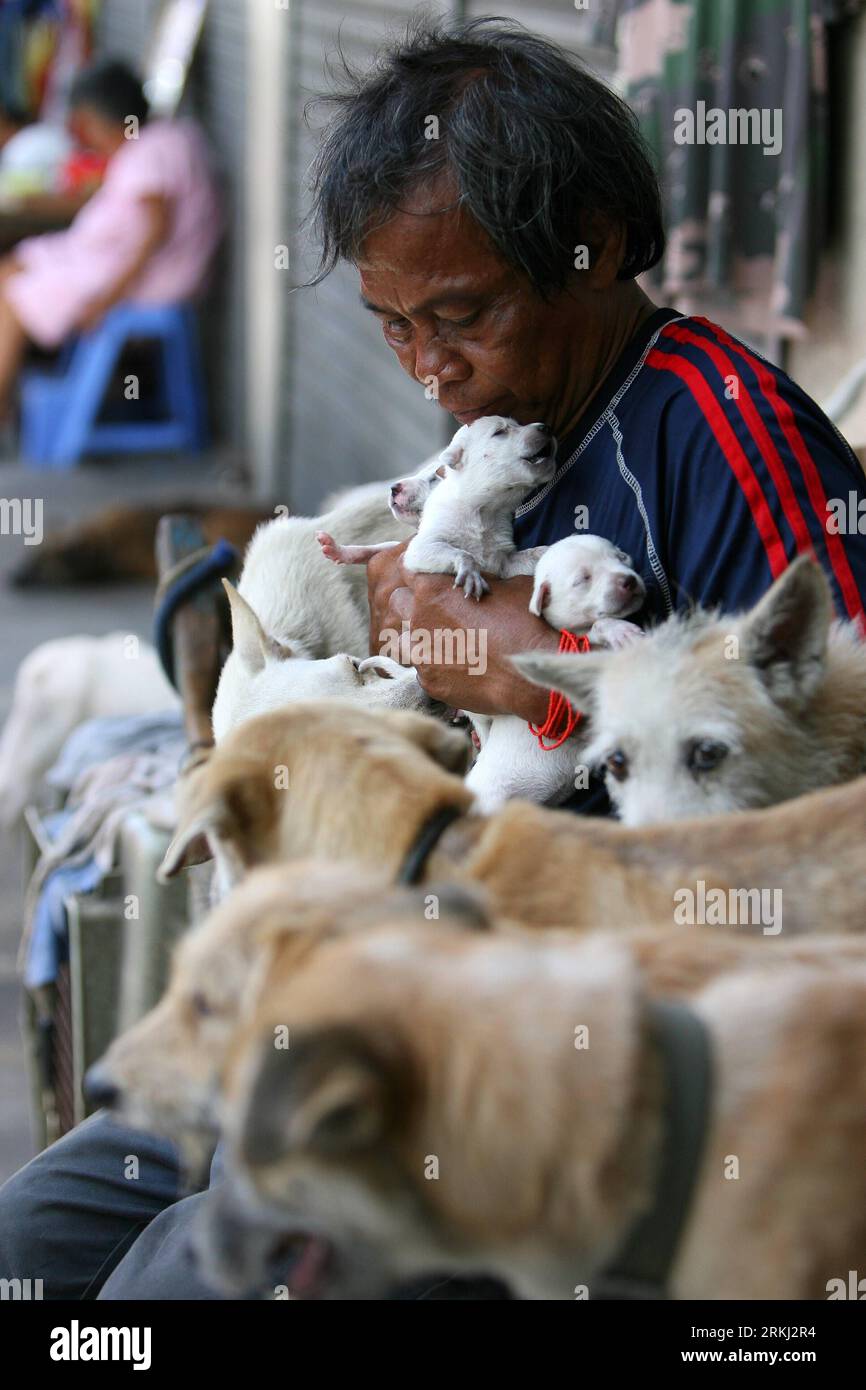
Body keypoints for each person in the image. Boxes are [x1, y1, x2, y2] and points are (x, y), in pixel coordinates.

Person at [1, 16, 865, 1301]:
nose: (430, 372)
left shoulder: (727, 442)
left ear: (596, 245)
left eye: (461, 316)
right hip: (394, 973)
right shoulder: (503, 428)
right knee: (29, 1242)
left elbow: (839, 789)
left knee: (157, 1292)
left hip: (549, 1057)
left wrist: (540, 686)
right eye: (394, 328)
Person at [0, 58, 222, 417]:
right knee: (10, 270)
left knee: (10, 296)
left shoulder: (150, 154)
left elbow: (154, 232)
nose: (85, 135)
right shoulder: (160, 140)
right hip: (112, 262)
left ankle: (1, 403)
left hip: (146, 279)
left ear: (103, 119)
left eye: (86, 124)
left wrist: (108, 299)